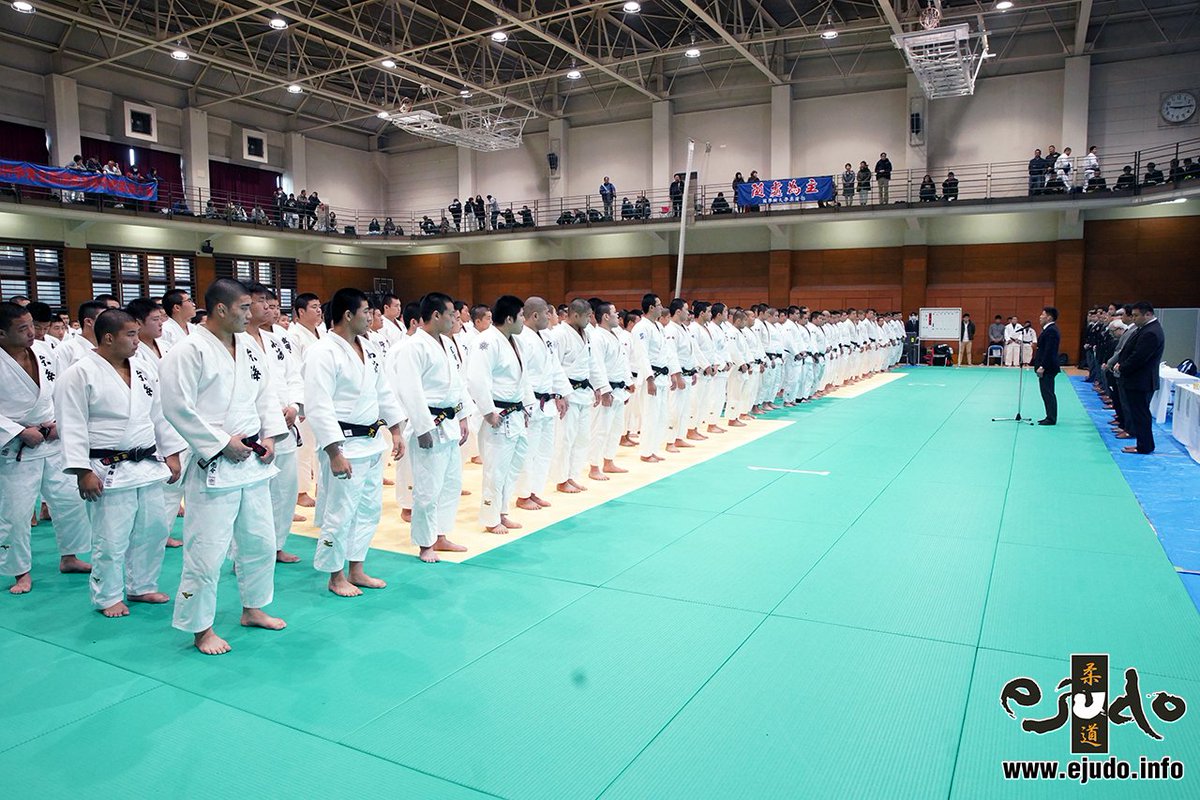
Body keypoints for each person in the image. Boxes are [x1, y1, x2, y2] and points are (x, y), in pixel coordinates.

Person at [159, 278, 288, 655]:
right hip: (212, 463)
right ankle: (201, 628)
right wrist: (220, 442)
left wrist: (270, 437)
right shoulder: (188, 350)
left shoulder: (248, 344)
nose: (251, 314)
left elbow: (265, 395)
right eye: (245, 308)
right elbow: (176, 408)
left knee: (261, 541)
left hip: (251, 461)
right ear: (220, 309)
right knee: (207, 550)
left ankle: (253, 607)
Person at [54, 309, 185, 617]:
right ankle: (107, 595)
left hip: (147, 463)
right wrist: (82, 471)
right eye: (131, 335)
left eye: (137, 334)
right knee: (110, 538)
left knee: (153, 530)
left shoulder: (141, 368)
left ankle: (142, 586)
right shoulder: (79, 373)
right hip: (106, 467)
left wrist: (172, 453)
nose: (137, 341)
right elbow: (71, 424)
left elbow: (159, 414)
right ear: (109, 337)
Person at [304, 288, 404, 595]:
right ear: (348, 315)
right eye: (366, 312)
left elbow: (382, 390)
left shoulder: (369, 346)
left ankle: (356, 568)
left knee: (368, 509)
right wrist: (333, 451)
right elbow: (318, 405)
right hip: (344, 444)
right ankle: (335, 576)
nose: (372, 317)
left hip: (371, 442)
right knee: (340, 512)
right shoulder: (323, 352)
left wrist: (397, 428)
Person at [0, 302, 93, 594]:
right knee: (15, 513)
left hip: (51, 440)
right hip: (16, 448)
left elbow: (61, 391)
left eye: (32, 325)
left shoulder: (44, 351)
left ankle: (70, 556)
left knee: (70, 501)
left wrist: (58, 421)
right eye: (22, 328)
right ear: (1, 333)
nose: (32, 332)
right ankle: (20, 571)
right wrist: (18, 430)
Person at [389, 292, 473, 562]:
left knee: (450, 483)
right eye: (451, 314)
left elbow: (457, 384)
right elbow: (409, 390)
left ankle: (440, 535)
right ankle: (425, 543)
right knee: (427, 488)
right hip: (429, 425)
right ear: (435, 316)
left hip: (449, 423)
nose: (455, 319)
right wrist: (423, 427)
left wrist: (463, 416)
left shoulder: (445, 344)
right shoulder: (412, 347)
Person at [244, 284, 305, 563]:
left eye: (271, 303)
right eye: (261, 302)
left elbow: (294, 375)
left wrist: (294, 405)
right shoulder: (234, 340)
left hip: (285, 425)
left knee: (285, 487)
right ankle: (245, 553)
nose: (268, 307)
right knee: (255, 496)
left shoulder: (278, 338)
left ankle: (277, 544)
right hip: (253, 429)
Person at [467, 295, 531, 535]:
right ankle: (490, 517)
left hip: (515, 413)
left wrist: (526, 407)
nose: (524, 320)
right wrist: (488, 411)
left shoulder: (514, 341)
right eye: (522, 315)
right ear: (509, 318)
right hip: (498, 415)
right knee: (495, 470)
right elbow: (476, 378)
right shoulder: (486, 342)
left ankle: (503, 511)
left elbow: (523, 379)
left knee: (512, 467)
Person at [514, 297, 568, 511]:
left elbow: (555, 368)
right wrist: (525, 406)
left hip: (548, 401)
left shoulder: (546, 337)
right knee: (529, 452)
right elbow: (521, 376)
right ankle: (523, 494)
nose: (549, 316)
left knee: (545, 450)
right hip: (531, 402)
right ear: (535, 315)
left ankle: (535, 491)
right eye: (547, 312)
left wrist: (561, 393)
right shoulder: (521, 339)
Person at [551, 298, 608, 492]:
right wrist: (559, 394)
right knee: (565, 438)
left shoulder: (587, 334)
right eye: (587, 316)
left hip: (584, 392)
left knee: (582, 437)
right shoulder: (558, 334)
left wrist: (598, 386)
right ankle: (561, 479)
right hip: (568, 394)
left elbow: (593, 363)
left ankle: (572, 475)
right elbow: (554, 366)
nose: (590, 319)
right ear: (575, 315)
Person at [588, 299, 632, 480]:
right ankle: (594, 466)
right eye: (615, 313)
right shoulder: (597, 336)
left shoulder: (615, 334)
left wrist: (627, 383)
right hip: (608, 390)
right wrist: (604, 390)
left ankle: (608, 461)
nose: (618, 316)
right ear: (606, 316)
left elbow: (621, 362)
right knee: (600, 429)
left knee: (616, 428)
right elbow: (596, 366)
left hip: (619, 389)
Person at [1115, 302, 1165, 455]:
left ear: (1148, 314)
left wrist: (1122, 367)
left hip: (1141, 380)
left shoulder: (1151, 332)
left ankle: (1144, 446)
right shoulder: (1145, 329)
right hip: (1137, 379)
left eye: (1137, 315)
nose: (1134, 318)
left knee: (1141, 414)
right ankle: (1143, 444)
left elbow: (1139, 357)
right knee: (1139, 413)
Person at [630, 294, 676, 462]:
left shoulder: (658, 326)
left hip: (662, 377)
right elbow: (642, 355)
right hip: (652, 378)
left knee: (660, 416)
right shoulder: (641, 327)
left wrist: (672, 375)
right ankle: (645, 452)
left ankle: (654, 449)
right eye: (659, 304)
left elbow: (666, 353)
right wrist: (650, 379)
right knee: (650, 416)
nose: (661, 307)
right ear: (651, 307)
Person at [1030, 306, 1061, 425]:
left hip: (1048, 367)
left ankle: (1051, 417)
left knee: (1048, 392)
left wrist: (1042, 366)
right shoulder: (1048, 330)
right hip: (1046, 366)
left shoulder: (1051, 331)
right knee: (1046, 392)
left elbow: (1049, 350)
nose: (1040, 317)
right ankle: (1049, 415)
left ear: (1049, 317)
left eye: (1042, 315)